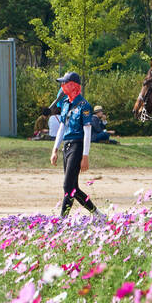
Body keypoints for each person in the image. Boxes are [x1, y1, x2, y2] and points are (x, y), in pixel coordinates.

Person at [48, 71, 103, 218]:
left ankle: (62, 219)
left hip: (77, 146)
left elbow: (87, 132)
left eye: (65, 83)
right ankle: (97, 213)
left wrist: (85, 155)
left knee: (67, 186)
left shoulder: (84, 105)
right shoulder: (65, 104)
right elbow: (62, 127)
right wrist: (55, 149)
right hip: (67, 145)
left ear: (73, 85)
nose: (62, 86)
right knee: (74, 187)